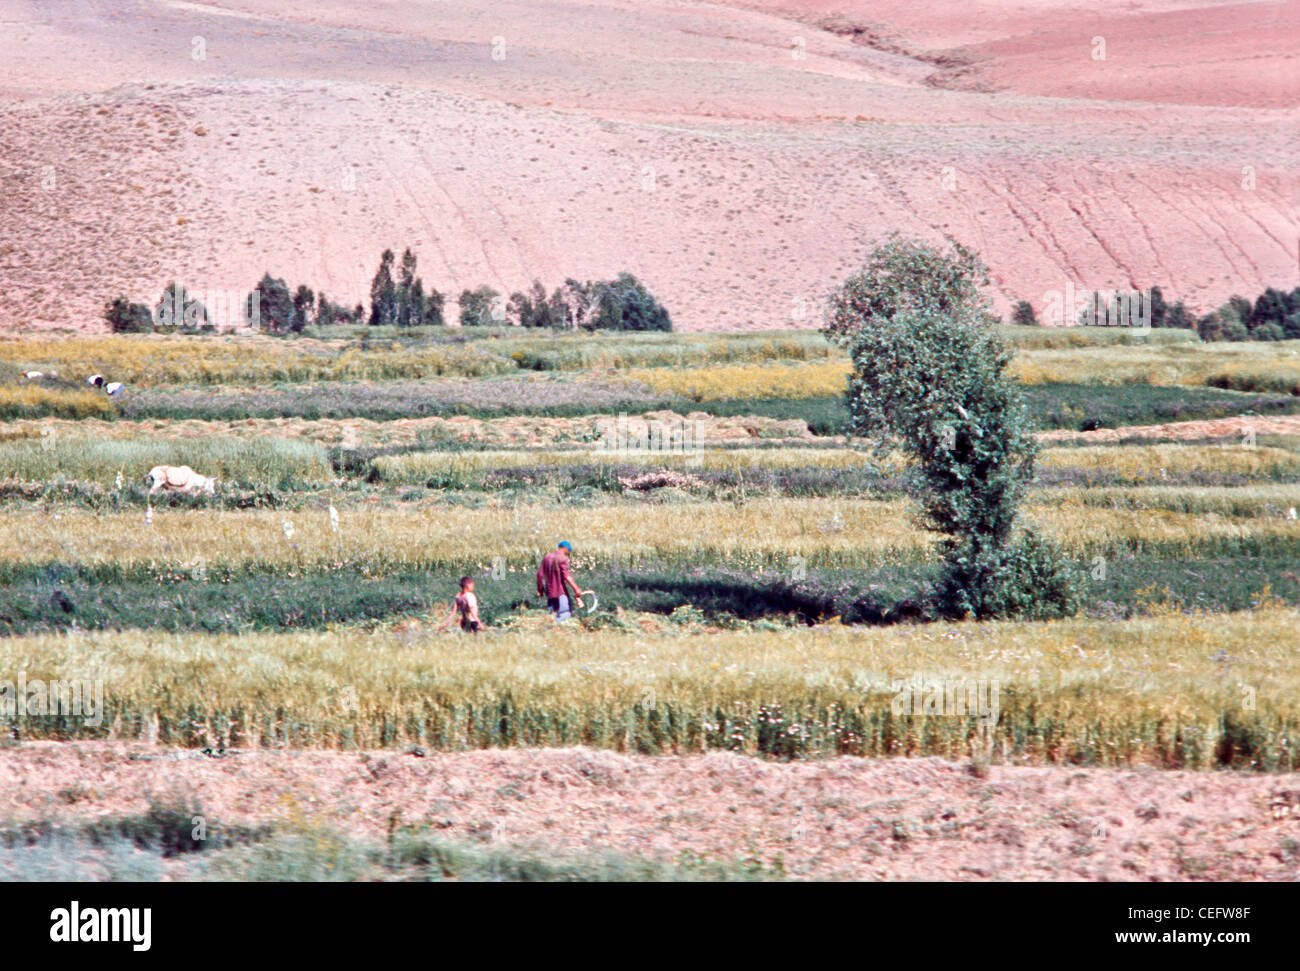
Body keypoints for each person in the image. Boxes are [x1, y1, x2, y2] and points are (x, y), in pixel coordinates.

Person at [537, 541, 584, 622]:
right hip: (560, 592)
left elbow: (540, 575)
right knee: (564, 613)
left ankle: (549, 631)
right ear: (565, 549)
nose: (568, 554)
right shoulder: (562, 558)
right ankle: (560, 632)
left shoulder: (547, 557)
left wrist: (540, 590)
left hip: (549, 593)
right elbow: (566, 576)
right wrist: (576, 589)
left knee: (551, 614)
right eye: (569, 552)